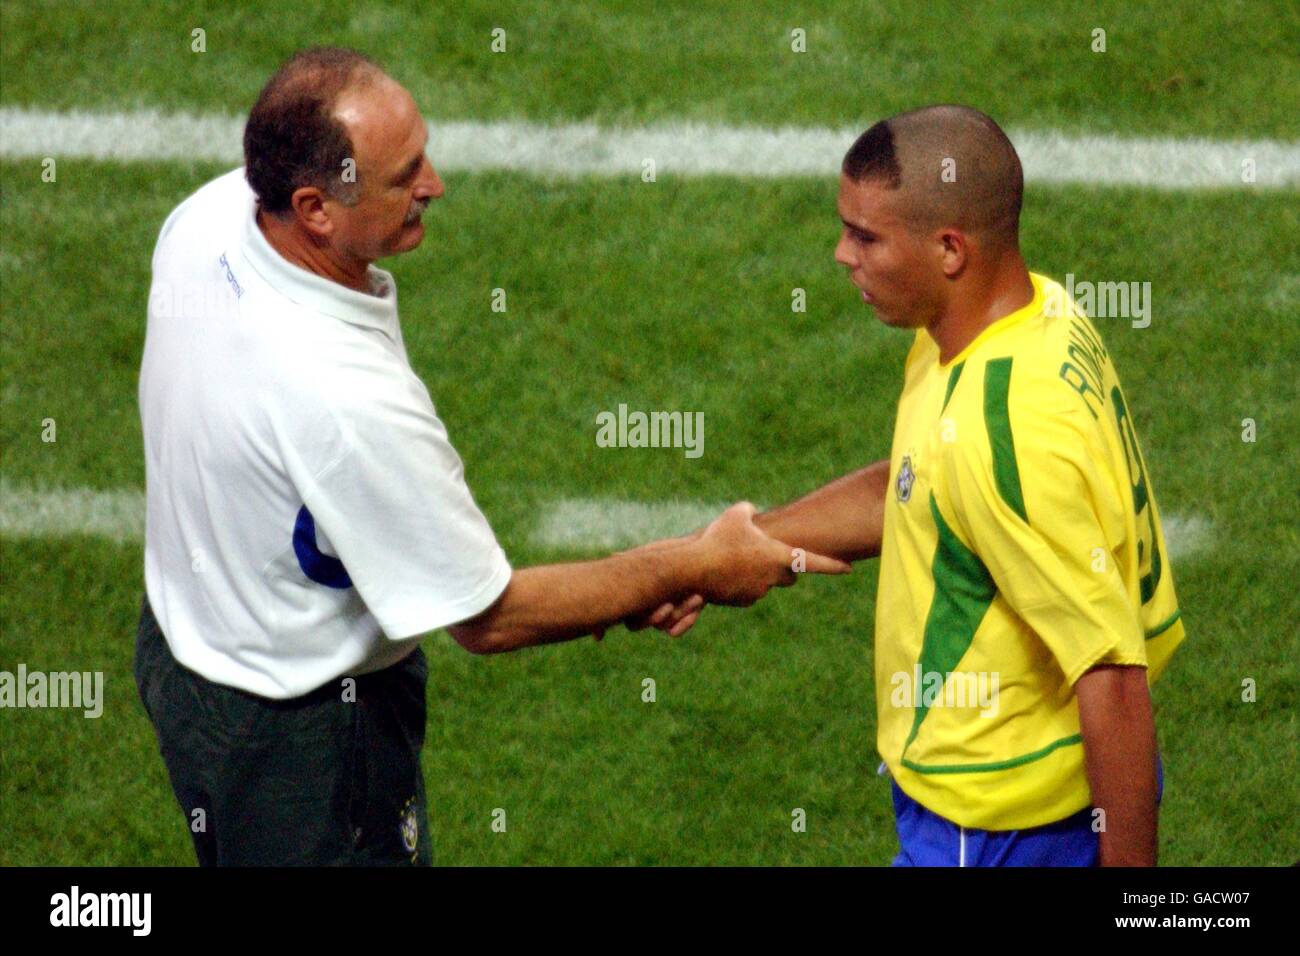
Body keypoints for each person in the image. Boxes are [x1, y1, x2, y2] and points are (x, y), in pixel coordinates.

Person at [134, 47, 848, 866]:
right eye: (404, 176)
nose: (434, 183)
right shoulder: (344, 398)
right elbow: (489, 616)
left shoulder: (208, 220)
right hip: (302, 730)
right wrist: (688, 565)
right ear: (315, 208)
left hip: (185, 651)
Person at [668, 105, 1185, 866]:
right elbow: (917, 487)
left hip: (1004, 826)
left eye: (866, 236)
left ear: (949, 249)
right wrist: (738, 548)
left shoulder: (1009, 432)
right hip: (995, 807)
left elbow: (1111, 681)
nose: (842, 256)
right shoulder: (1014, 320)